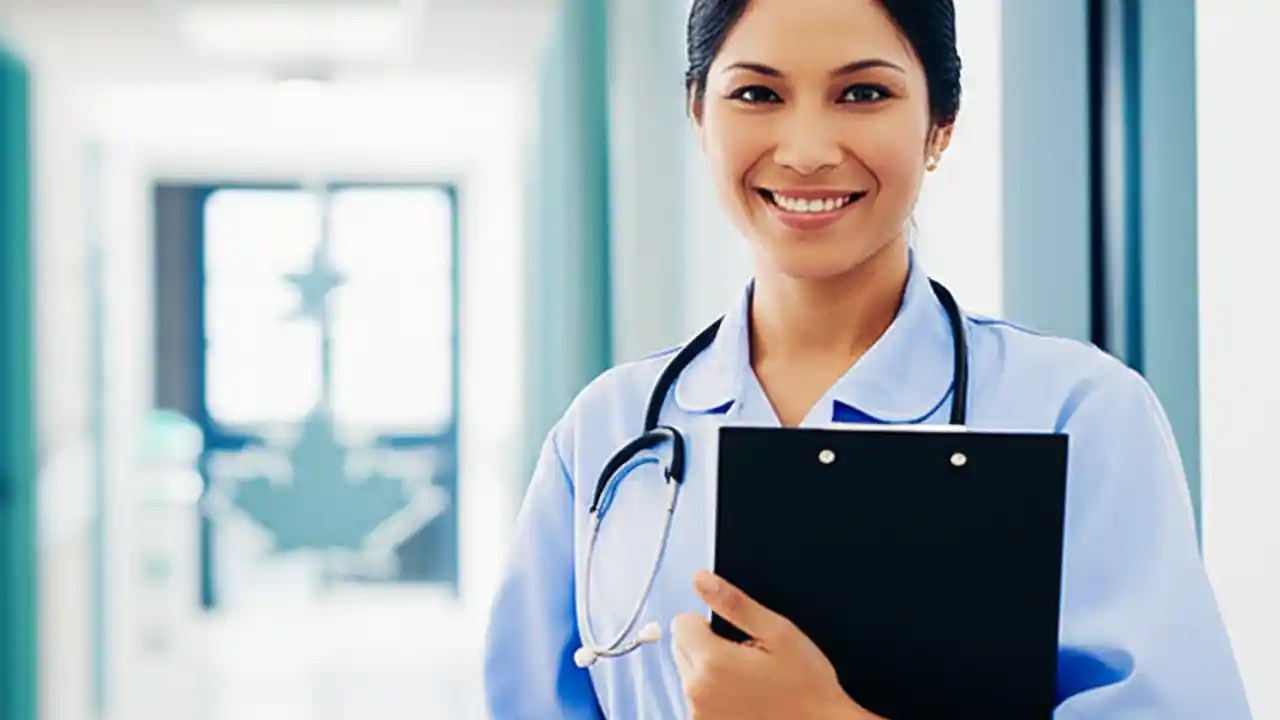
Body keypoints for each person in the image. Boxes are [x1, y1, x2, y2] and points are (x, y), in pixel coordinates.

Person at [483, 0, 1250, 717]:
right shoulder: (610, 429)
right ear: (698, 114)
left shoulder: (1076, 412)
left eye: (862, 94)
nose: (809, 151)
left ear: (939, 125)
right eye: (756, 94)